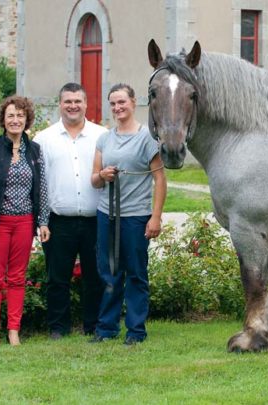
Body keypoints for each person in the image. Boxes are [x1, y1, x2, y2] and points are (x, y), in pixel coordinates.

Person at [90, 83, 166, 345]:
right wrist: (102, 175)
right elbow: (94, 180)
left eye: (122, 102)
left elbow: (160, 179)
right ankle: (106, 328)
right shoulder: (105, 139)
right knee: (109, 271)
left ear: (134, 103)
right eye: (112, 103)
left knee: (135, 273)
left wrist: (155, 217)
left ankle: (135, 331)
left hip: (135, 216)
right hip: (106, 214)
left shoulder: (147, 138)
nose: (117, 107)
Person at [0, 96, 50, 347]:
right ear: (3, 120)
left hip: (25, 222)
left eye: (20, 116)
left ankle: (13, 330)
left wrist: (43, 221)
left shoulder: (35, 151)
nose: (15, 120)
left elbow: (43, 188)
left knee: (17, 277)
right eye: (11, 116)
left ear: (27, 120)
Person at [33, 83, 107, 339]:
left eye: (77, 101)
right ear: (60, 104)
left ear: (86, 104)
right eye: (68, 101)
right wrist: (40, 220)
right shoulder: (43, 139)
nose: (73, 106)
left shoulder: (102, 136)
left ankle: (94, 325)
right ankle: (58, 327)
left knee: (95, 276)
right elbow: (37, 182)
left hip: (94, 219)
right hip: (58, 221)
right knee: (57, 278)